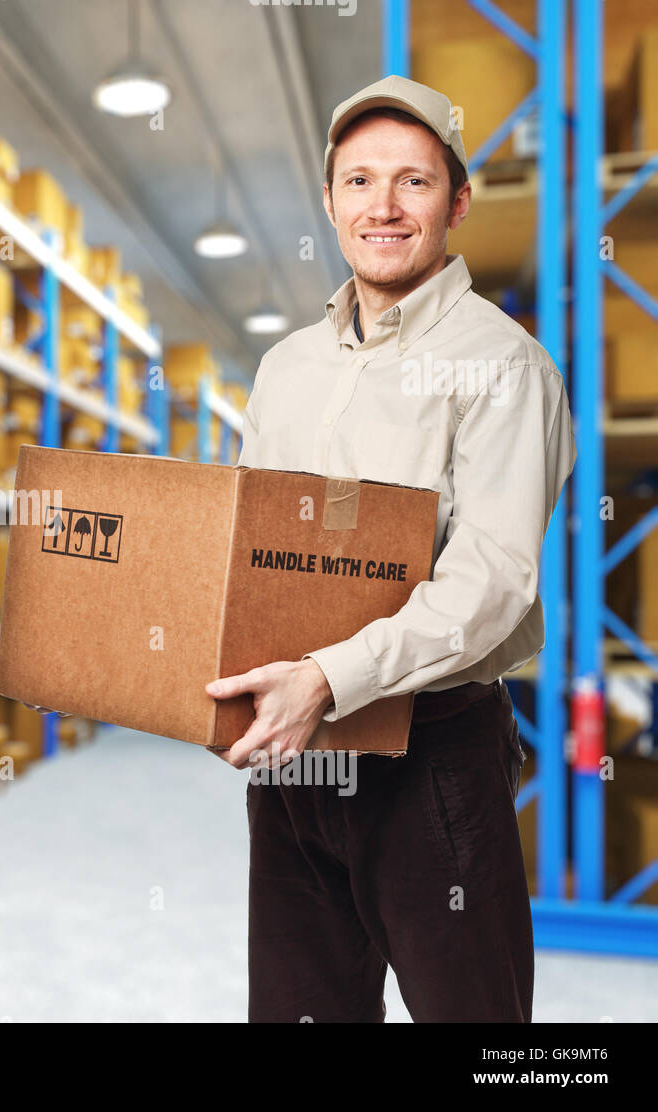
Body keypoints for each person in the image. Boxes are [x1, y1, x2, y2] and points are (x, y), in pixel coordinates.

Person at [204, 75, 576, 1022]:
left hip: (433, 762)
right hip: (295, 763)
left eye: (413, 183)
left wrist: (328, 677)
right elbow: (256, 548)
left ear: (455, 202)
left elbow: (490, 580)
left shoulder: (504, 365)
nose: (383, 206)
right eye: (359, 181)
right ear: (329, 202)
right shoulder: (288, 366)